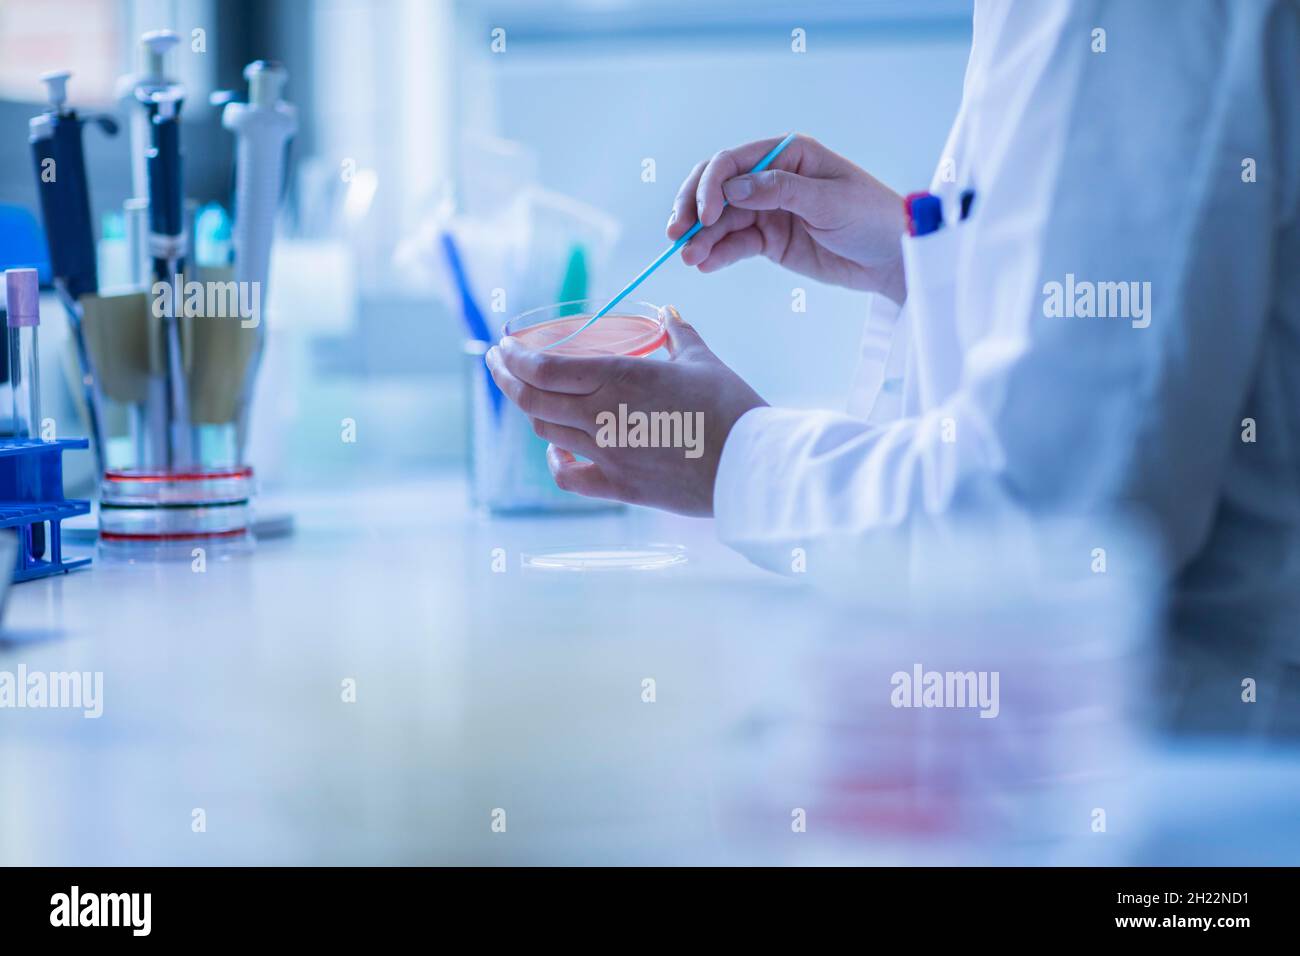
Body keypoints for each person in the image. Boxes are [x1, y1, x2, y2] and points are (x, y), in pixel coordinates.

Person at [487, 1, 1300, 732]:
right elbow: (1136, 319)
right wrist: (924, 259)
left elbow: (1053, 523)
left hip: (1206, 771)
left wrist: (731, 456)